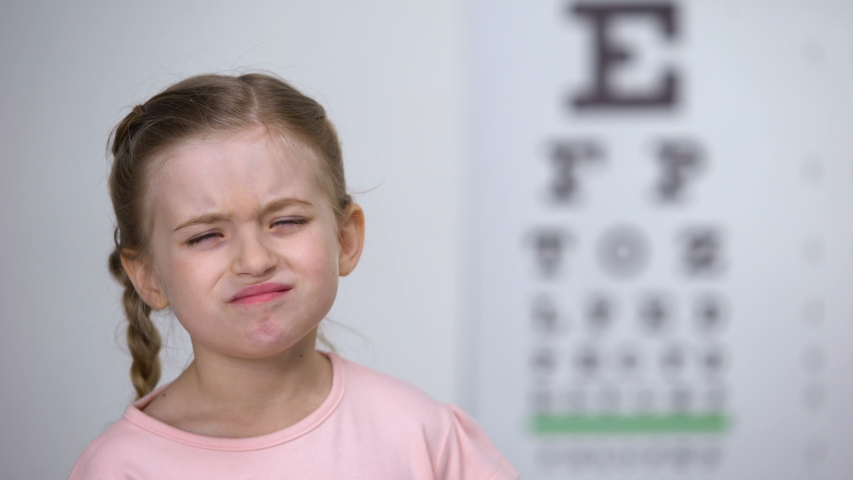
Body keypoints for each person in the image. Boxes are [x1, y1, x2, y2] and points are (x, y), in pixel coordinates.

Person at [68, 73, 518, 479]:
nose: (255, 259)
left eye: (286, 222)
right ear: (148, 276)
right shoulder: (121, 469)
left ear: (345, 238)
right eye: (206, 235)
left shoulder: (422, 434)